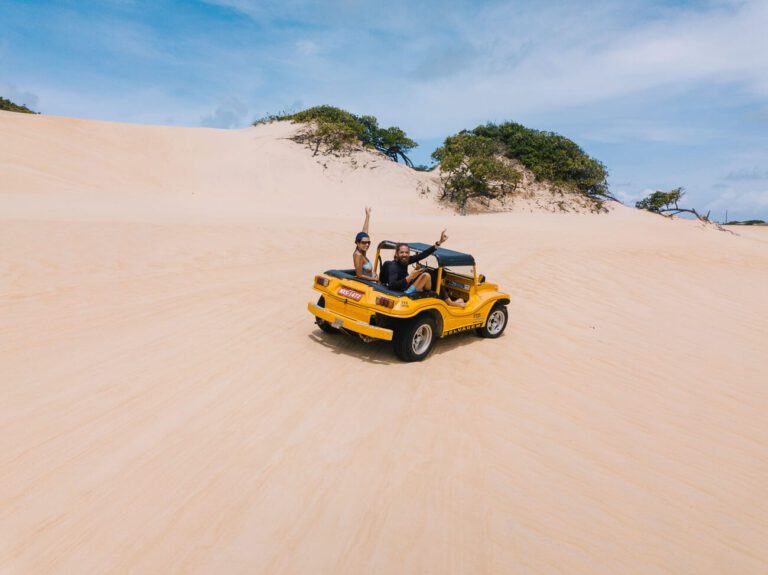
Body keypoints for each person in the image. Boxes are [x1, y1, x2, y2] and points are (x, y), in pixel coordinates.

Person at [382, 229, 448, 294]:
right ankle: (431, 295)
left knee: (427, 274)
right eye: (402, 252)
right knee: (427, 276)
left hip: (406, 287)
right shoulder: (394, 266)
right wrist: (409, 277)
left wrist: (439, 243)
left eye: (406, 252)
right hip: (404, 292)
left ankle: (428, 293)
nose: (404, 254)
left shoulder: (405, 260)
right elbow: (391, 286)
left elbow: (422, 255)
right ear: (397, 254)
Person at [353, 206, 378, 281]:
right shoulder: (358, 255)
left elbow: (364, 232)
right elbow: (359, 275)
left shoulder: (362, 251)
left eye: (368, 243)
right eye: (364, 243)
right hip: (368, 284)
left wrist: (367, 216)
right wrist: (374, 279)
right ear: (357, 243)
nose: (367, 245)